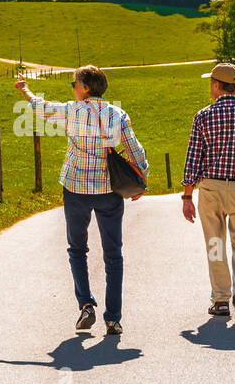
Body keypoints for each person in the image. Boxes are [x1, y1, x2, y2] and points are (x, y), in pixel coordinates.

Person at [16, 66, 147, 336]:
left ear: (86, 88)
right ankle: (113, 318)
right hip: (109, 190)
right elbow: (135, 150)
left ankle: (86, 304)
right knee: (113, 254)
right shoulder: (117, 114)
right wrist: (141, 179)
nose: (72, 87)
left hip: (76, 188)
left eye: (74, 83)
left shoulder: (72, 111)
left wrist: (25, 90)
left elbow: (42, 108)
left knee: (77, 249)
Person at [180, 62, 235, 322]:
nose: (210, 86)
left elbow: (193, 160)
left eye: (212, 82)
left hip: (211, 187)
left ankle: (220, 299)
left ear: (218, 86)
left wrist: (188, 196)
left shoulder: (203, 116)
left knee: (215, 242)